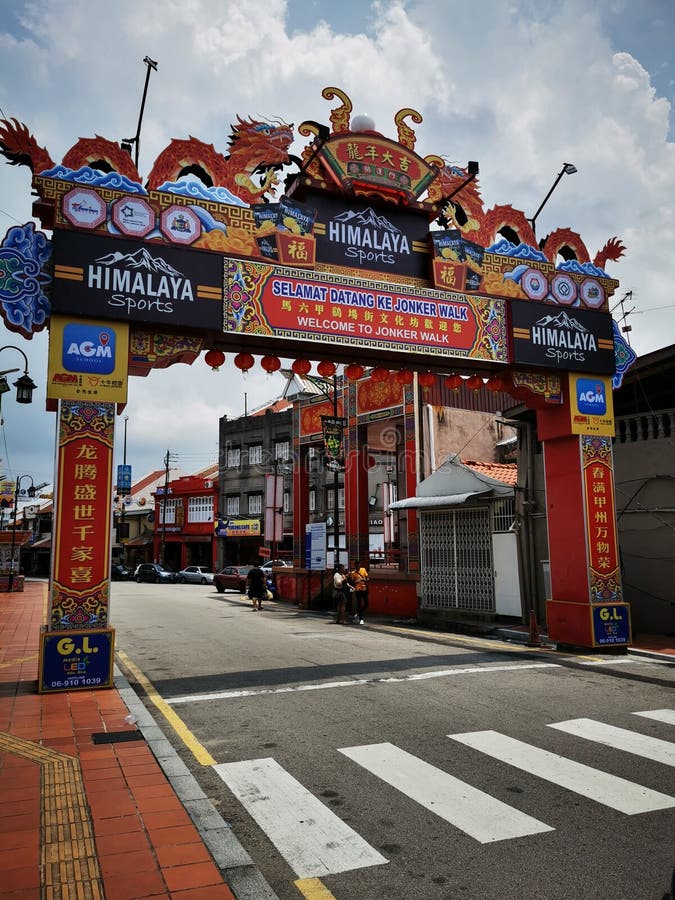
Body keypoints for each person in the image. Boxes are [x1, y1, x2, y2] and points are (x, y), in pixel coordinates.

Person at [349, 559, 369, 624]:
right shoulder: (353, 573)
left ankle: (358, 613)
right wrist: (356, 581)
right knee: (359, 603)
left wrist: (363, 579)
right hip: (357, 589)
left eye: (359, 565)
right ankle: (361, 619)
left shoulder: (363, 570)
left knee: (366, 603)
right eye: (357, 565)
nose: (358, 566)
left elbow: (368, 579)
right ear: (355, 566)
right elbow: (352, 582)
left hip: (364, 589)